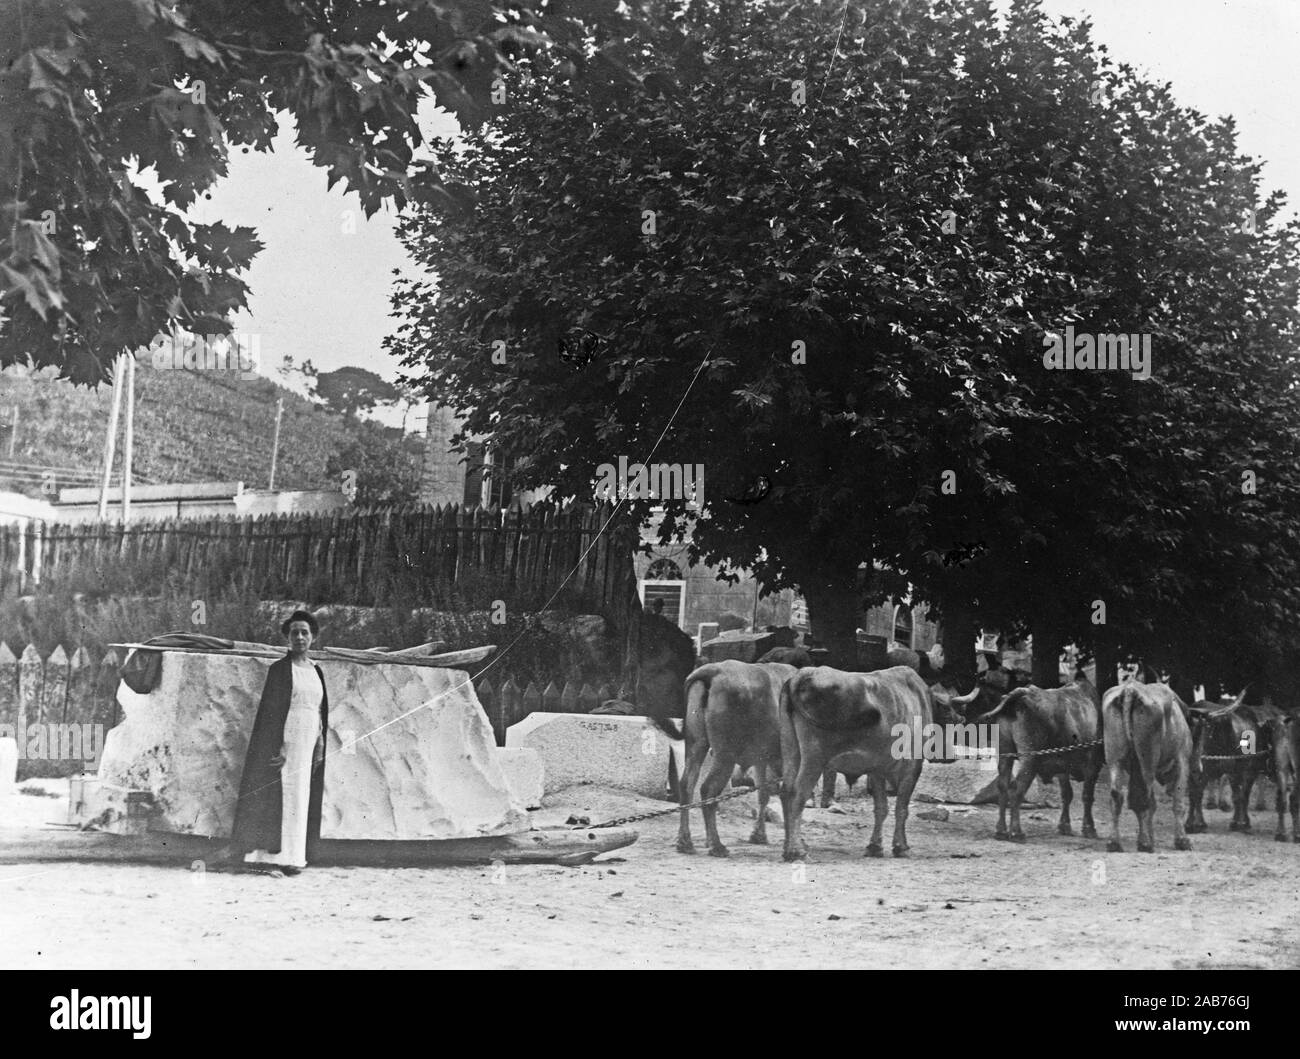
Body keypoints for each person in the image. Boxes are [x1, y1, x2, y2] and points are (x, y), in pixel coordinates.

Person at [228, 610, 330, 876]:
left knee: (300, 795)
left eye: (304, 632)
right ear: (287, 637)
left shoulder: (317, 671)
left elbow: (320, 710)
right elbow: (271, 714)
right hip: (285, 739)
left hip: (308, 740)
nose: (299, 637)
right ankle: (267, 855)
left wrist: (320, 744)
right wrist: (279, 747)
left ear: (313, 637)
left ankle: (293, 857)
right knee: (280, 793)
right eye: (294, 632)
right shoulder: (280, 670)